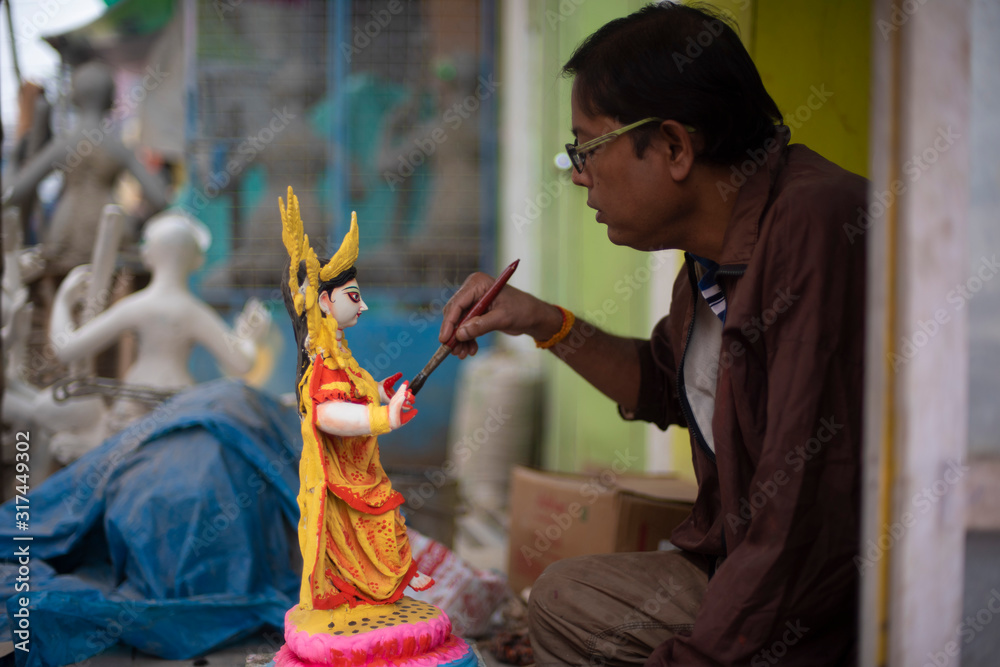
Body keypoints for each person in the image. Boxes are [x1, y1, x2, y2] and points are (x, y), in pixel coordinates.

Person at [440, 4, 866, 666]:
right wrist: (544, 321)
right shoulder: (708, 259)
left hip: (825, 599)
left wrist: (692, 656)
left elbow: (797, 524)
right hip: (749, 566)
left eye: (587, 148)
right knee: (564, 597)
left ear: (673, 146)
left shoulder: (814, 227)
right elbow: (664, 386)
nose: (578, 174)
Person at [278, 188, 425, 613]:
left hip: (360, 473)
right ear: (325, 301)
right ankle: (362, 594)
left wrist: (381, 392)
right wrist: (382, 417)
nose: (363, 306)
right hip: (341, 483)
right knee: (364, 534)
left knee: (382, 529)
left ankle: (377, 592)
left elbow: (354, 394)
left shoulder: (342, 357)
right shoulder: (321, 362)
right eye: (354, 297)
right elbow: (327, 413)